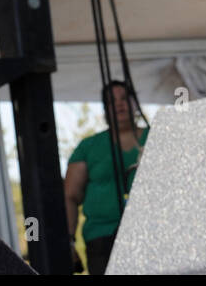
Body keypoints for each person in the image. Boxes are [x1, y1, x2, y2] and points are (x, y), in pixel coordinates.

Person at [63, 80, 148, 275]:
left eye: (125, 98)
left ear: (135, 103)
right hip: (102, 238)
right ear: (105, 109)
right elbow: (70, 196)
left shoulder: (158, 135)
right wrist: (69, 241)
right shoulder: (88, 146)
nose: (119, 104)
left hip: (152, 233)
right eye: (112, 101)